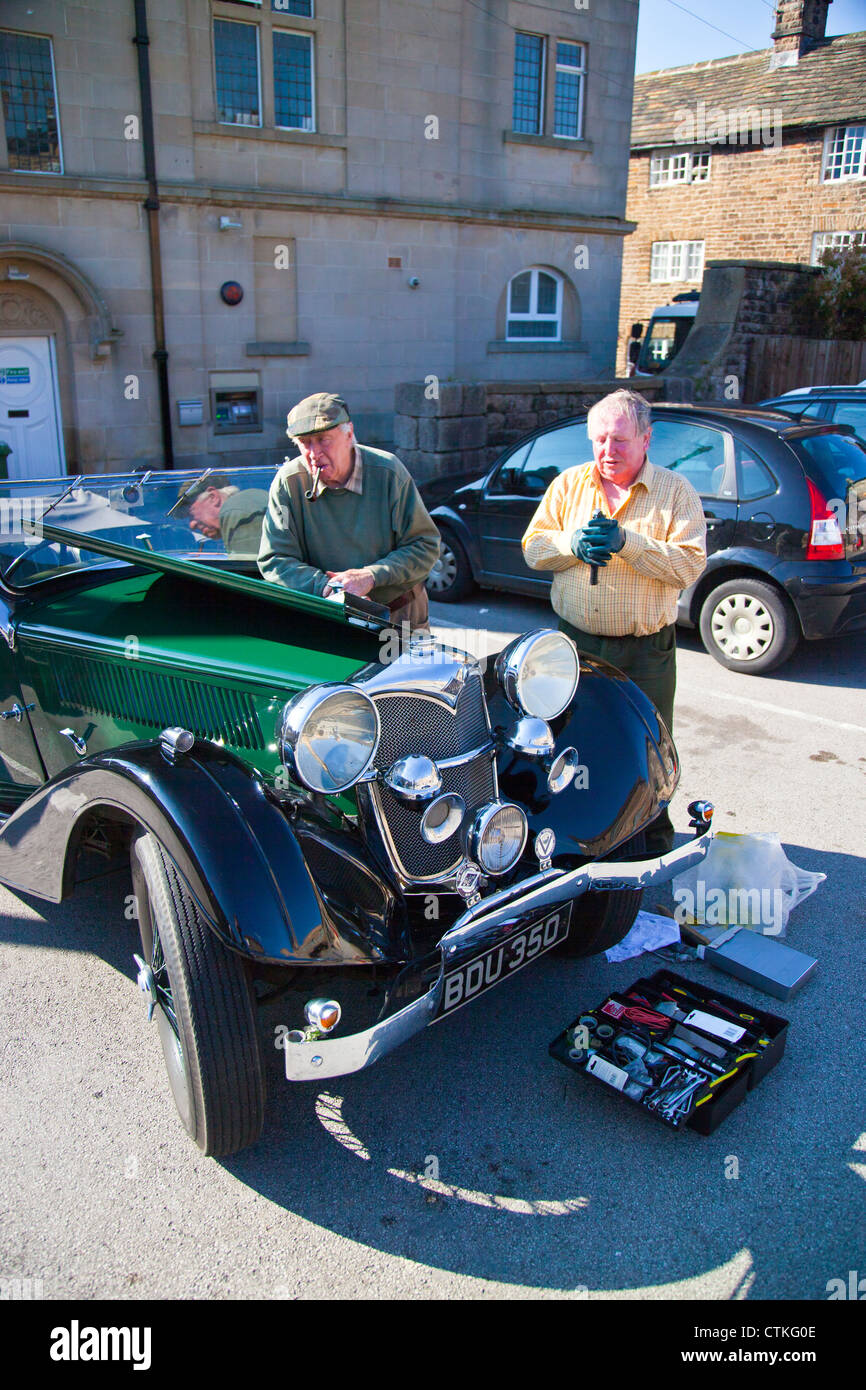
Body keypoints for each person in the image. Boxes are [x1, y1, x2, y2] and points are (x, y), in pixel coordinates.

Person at [521, 388, 706, 855]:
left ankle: (652, 845)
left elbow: (688, 566)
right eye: (599, 439)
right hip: (577, 645)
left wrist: (627, 543)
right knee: (574, 740)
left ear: (647, 439)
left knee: (647, 746)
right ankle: (576, 839)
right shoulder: (568, 485)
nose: (608, 451)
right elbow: (532, 548)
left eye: (620, 440)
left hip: (644, 650)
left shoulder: (675, 492)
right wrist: (571, 546)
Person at [258, 392, 440, 629]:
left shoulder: (388, 472)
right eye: (305, 443)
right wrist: (329, 587)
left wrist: (371, 576)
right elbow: (275, 558)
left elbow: (425, 545)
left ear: (349, 434)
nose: (314, 454)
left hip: (399, 613)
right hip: (329, 614)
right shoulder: (289, 482)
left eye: (323, 439)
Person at [173, 475, 269, 557]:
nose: (192, 525)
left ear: (213, 497)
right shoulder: (252, 501)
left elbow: (247, 572)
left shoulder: (236, 510)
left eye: (191, 513)